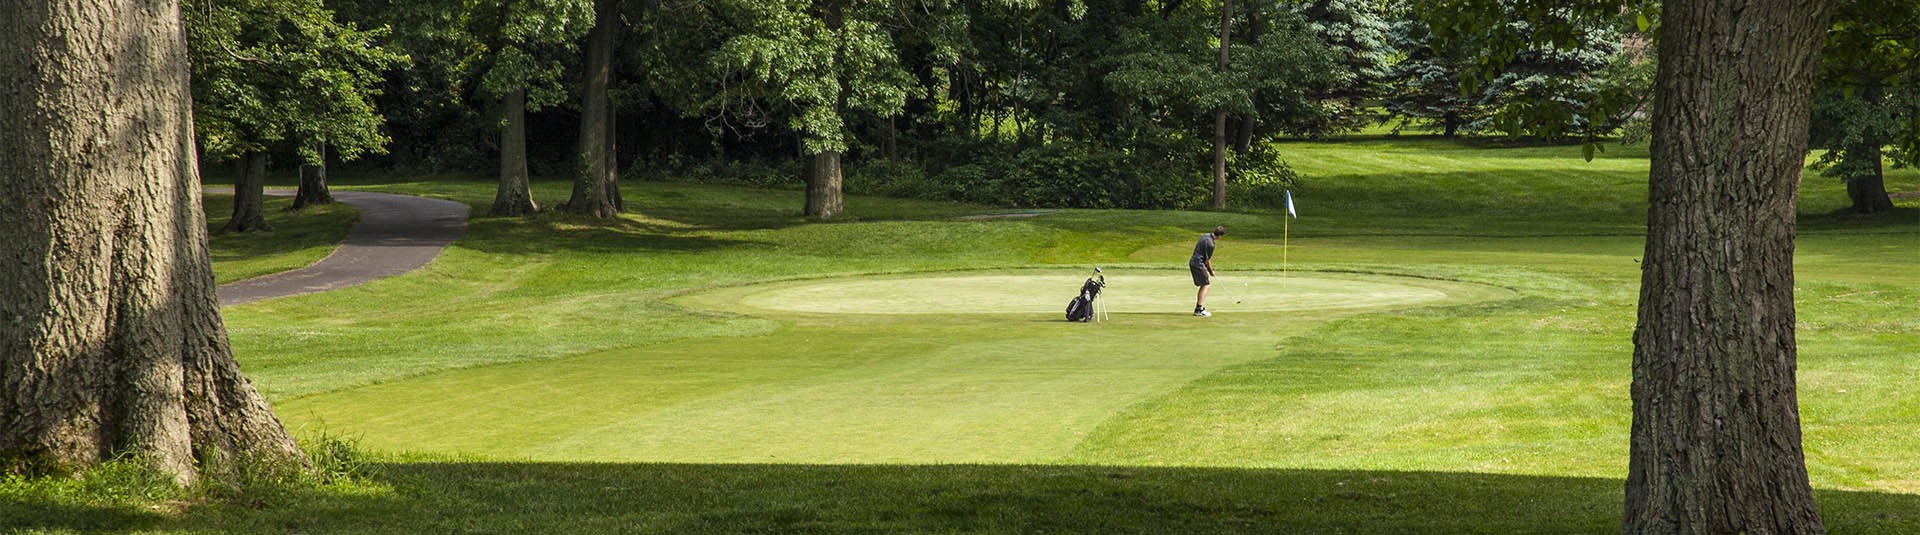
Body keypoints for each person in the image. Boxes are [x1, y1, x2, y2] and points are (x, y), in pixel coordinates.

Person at [1189, 226, 1224, 317]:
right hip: (1198, 264)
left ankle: (1199, 308)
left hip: (1193, 262)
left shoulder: (1205, 235)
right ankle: (1198, 310)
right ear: (1220, 236)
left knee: (1204, 284)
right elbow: (1207, 261)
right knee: (1206, 285)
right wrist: (1211, 271)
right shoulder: (1211, 244)